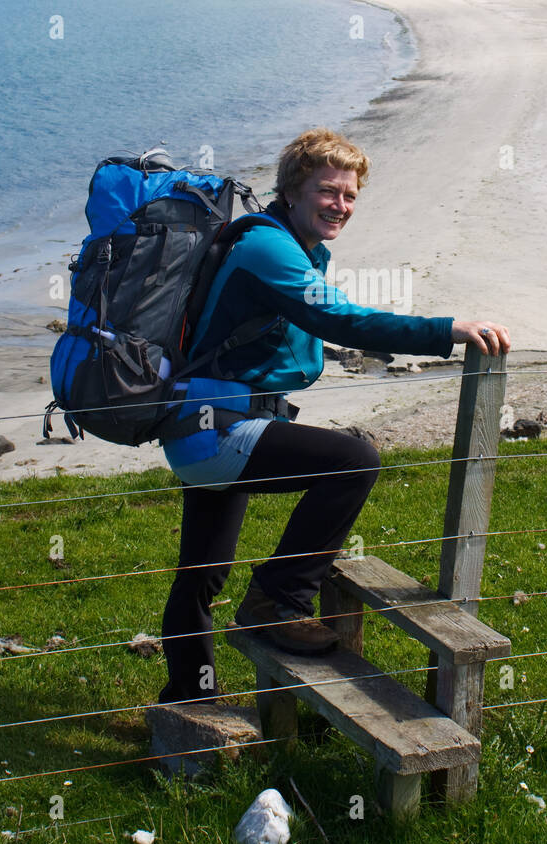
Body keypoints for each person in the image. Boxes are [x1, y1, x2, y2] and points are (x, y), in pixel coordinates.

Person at [157, 127, 511, 704]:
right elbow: (341, 321)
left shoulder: (288, 245)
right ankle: (279, 600)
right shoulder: (268, 248)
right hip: (217, 432)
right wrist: (446, 331)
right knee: (352, 461)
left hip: (202, 427)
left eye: (349, 196)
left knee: (201, 574)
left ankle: (188, 697)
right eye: (327, 191)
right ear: (291, 191)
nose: (340, 206)